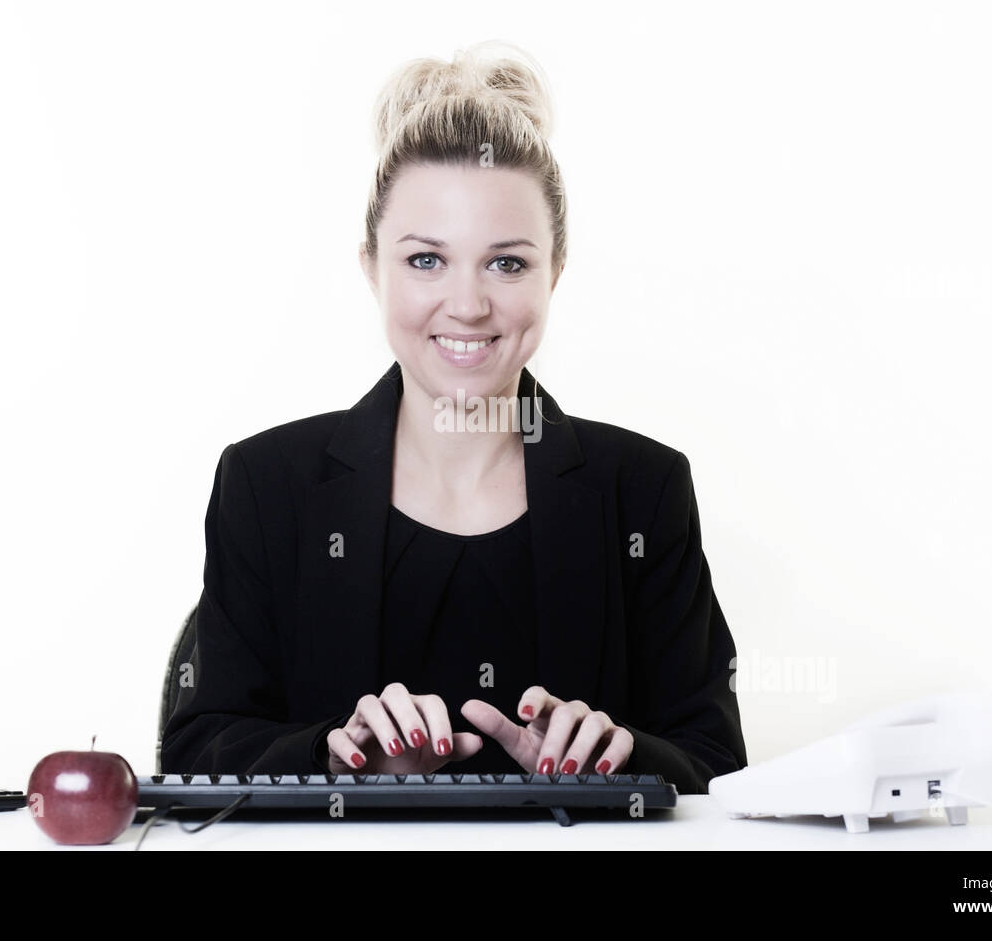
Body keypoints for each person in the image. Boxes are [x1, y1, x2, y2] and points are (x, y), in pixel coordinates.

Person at [160, 41, 746, 794]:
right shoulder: (266, 485)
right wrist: (339, 761)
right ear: (371, 266)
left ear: (554, 273)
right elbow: (198, 750)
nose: (467, 305)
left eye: (507, 263)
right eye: (426, 260)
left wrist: (618, 761)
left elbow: (719, 767)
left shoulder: (644, 489)